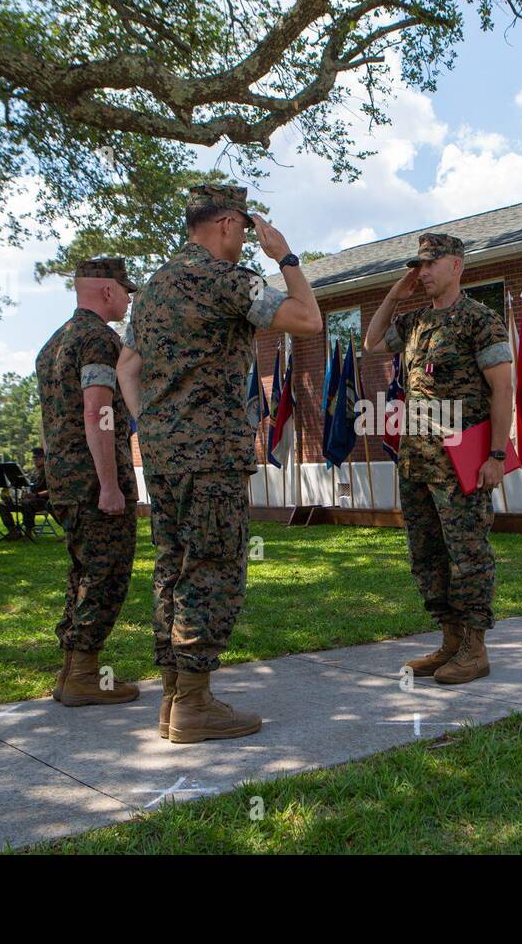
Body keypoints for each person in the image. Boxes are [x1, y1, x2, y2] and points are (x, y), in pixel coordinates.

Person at [119, 183, 321, 743]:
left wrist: (151, 426)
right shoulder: (225, 280)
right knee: (211, 569)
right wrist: (284, 256)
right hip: (211, 455)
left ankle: (172, 699)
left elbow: (127, 367)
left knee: (172, 568)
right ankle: (195, 705)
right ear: (230, 224)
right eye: (246, 228)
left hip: (162, 456)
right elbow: (309, 320)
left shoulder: (153, 287)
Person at [363, 233, 514, 684]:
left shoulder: (480, 321)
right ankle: (449, 641)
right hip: (417, 461)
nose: (423, 272)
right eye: (419, 265)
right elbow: (372, 342)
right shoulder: (414, 324)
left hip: (461, 463)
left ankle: (474, 647)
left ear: (457, 265)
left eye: (431, 264)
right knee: (427, 555)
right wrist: (395, 291)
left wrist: (497, 455)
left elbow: (503, 389)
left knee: (467, 553)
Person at [36, 257, 142, 705]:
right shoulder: (99, 339)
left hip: (64, 479)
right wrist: (110, 485)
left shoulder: (54, 342)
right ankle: (83, 673)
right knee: (107, 571)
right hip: (95, 479)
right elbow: (96, 411)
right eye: (124, 289)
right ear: (106, 290)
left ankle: (70, 672)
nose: (129, 297)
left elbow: (49, 422)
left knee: (82, 570)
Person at [0, 447, 52, 540]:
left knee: (26, 503)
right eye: (34, 458)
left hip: (43, 501)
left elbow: (52, 491)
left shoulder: (49, 472)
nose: (36, 460)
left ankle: (28, 532)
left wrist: (36, 495)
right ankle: (13, 531)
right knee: (2, 505)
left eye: (39, 457)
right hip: (30, 499)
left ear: (45, 458)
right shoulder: (33, 471)